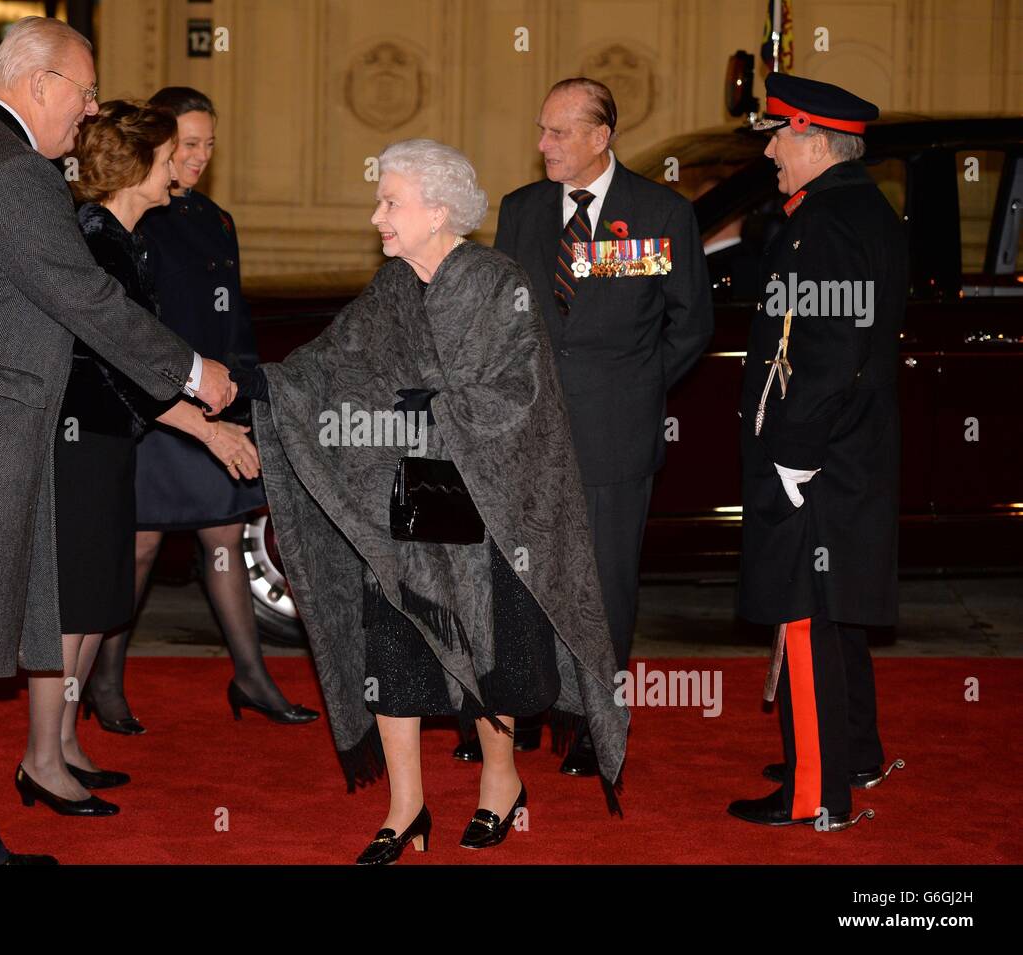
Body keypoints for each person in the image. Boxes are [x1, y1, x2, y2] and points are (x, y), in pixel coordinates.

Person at [0, 16, 236, 865]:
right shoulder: (14, 170)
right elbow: (85, 299)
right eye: (85, 91)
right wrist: (194, 370)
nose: (91, 111)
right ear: (38, 82)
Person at [233, 139, 628, 864]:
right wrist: (264, 385)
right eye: (381, 200)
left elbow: (525, 398)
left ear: (438, 210)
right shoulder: (388, 290)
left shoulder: (496, 282)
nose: (377, 215)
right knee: (395, 651)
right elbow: (331, 362)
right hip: (405, 503)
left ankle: (501, 782)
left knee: (490, 649)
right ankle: (406, 807)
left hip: (484, 507)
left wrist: (440, 408)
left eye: (391, 201)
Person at [17, 99, 261, 815]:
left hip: (109, 438)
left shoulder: (129, 236)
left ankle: (62, 743)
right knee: (70, 609)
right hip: (78, 442)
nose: (175, 170)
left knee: (97, 600)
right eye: (165, 159)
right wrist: (208, 429)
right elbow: (121, 365)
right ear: (135, 168)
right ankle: (39, 759)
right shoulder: (94, 237)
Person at [488, 77, 713, 774]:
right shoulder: (521, 210)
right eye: (542, 130)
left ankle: (593, 718)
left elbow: (691, 324)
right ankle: (527, 703)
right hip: (529, 430)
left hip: (613, 431)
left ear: (600, 136)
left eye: (558, 134)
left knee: (603, 581)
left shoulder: (660, 213)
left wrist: (636, 390)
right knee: (524, 574)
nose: (542, 145)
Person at [84, 86, 317, 735]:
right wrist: (189, 397)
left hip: (215, 402)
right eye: (187, 145)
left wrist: (242, 394)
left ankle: (251, 675)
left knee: (222, 537)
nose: (198, 156)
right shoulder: (136, 217)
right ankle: (104, 677)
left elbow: (234, 321)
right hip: (157, 405)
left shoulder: (215, 219)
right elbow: (132, 330)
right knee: (139, 547)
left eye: (208, 144)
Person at [728, 73, 906, 831]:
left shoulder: (826, 224)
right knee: (839, 613)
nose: (769, 149)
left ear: (814, 138)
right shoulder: (859, 208)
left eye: (778, 134)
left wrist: (792, 453)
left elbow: (829, 351)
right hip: (849, 447)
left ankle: (815, 791)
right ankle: (849, 752)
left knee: (803, 616)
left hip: (817, 454)